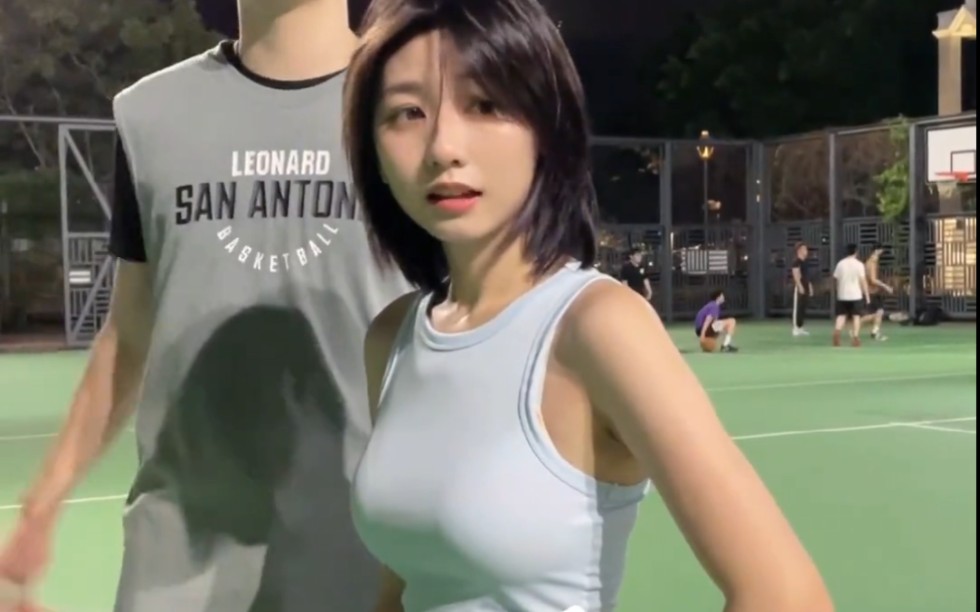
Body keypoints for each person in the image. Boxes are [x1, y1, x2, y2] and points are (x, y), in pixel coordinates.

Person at [343, 0, 833, 610]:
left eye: (485, 104)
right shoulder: (392, 337)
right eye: (408, 112)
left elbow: (787, 595)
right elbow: (402, 584)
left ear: (546, 129)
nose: (443, 146)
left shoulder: (597, 326)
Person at [0, 1, 410, 611]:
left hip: (363, 549)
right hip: (179, 558)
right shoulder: (151, 114)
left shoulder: (419, 103)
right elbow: (129, 333)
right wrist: (41, 506)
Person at [832, 244, 870, 347]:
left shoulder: (840, 264)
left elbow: (835, 279)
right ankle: (855, 338)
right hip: (856, 295)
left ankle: (837, 332)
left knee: (841, 315)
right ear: (856, 252)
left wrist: (837, 290)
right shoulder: (859, 265)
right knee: (856, 316)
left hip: (842, 294)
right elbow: (863, 281)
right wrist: (867, 296)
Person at [860, 243, 892, 341]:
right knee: (876, 314)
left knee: (878, 313)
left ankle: (874, 332)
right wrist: (886, 286)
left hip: (872, 291)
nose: (882, 252)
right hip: (872, 292)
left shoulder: (870, 261)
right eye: (881, 250)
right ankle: (856, 327)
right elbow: (873, 279)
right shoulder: (872, 262)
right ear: (877, 250)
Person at [790, 242, 813, 336]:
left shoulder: (805, 262)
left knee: (803, 308)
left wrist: (810, 287)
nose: (806, 251)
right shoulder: (796, 262)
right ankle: (795, 328)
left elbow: (807, 276)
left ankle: (800, 327)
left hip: (806, 286)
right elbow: (796, 275)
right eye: (804, 249)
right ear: (799, 250)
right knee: (798, 308)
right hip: (799, 287)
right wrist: (800, 286)